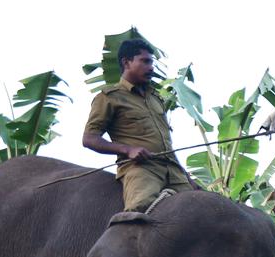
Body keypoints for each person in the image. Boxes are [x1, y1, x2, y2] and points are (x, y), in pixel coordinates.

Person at [82, 38, 195, 212]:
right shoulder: (110, 97)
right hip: (142, 170)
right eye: (145, 61)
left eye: (152, 62)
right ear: (126, 62)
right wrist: (128, 150)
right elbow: (89, 139)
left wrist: (187, 177)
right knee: (140, 210)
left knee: (205, 211)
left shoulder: (156, 98)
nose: (151, 67)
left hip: (174, 171)